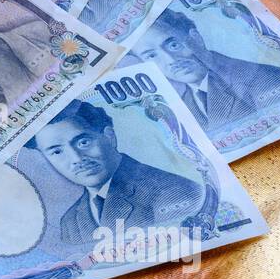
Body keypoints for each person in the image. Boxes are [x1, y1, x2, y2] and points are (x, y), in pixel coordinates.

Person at [29, 100, 204, 257]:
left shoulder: (174, 192)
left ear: (109, 136)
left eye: (83, 142)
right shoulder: (70, 222)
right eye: (57, 152)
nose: (76, 159)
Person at [132, 11, 280, 131]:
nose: (171, 60)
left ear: (195, 37)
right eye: (152, 56)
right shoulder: (184, 104)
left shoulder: (265, 79)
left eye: (173, 45)